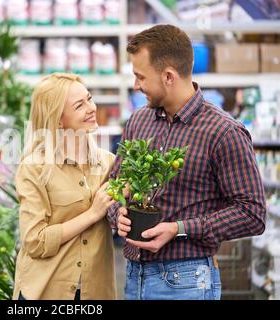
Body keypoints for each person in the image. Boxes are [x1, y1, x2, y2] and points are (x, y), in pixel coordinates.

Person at [107, 24, 266, 300]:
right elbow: (114, 184)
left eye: (140, 77)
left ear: (168, 76)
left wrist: (179, 229)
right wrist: (116, 213)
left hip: (186, 282)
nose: (136, 86)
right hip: (134, 277)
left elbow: (252, 213)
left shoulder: (223, 132)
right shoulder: (139, 121)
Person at [13, 73, 117, 300]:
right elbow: (35, 241)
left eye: (89, 99)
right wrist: (92, 214)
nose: (91, 108)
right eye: (80, 105)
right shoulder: (34, 168)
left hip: (96, 292)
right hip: (47, 290)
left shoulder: (108, 163)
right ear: (58, 120)